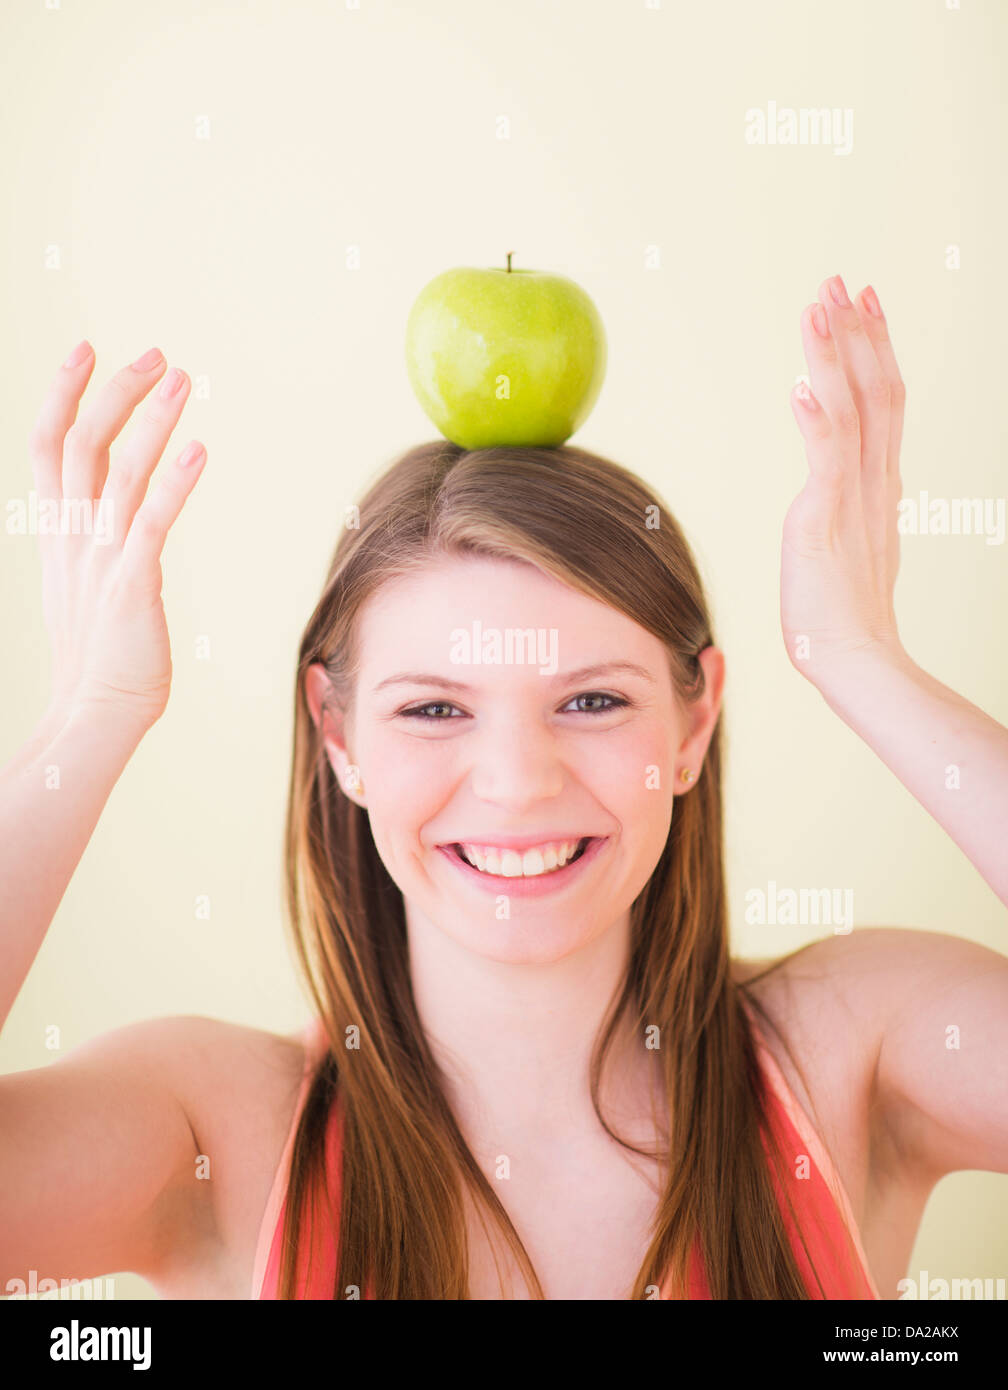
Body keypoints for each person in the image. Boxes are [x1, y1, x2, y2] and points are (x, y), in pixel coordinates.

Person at [2, 276, 1006, 1301]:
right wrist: (92, 715)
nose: (520, 783)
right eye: (434, 709)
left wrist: (863, 661)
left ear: (693, 724)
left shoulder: (856, 1054)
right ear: (338, 735)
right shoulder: (218, 1135)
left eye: (594, 702)